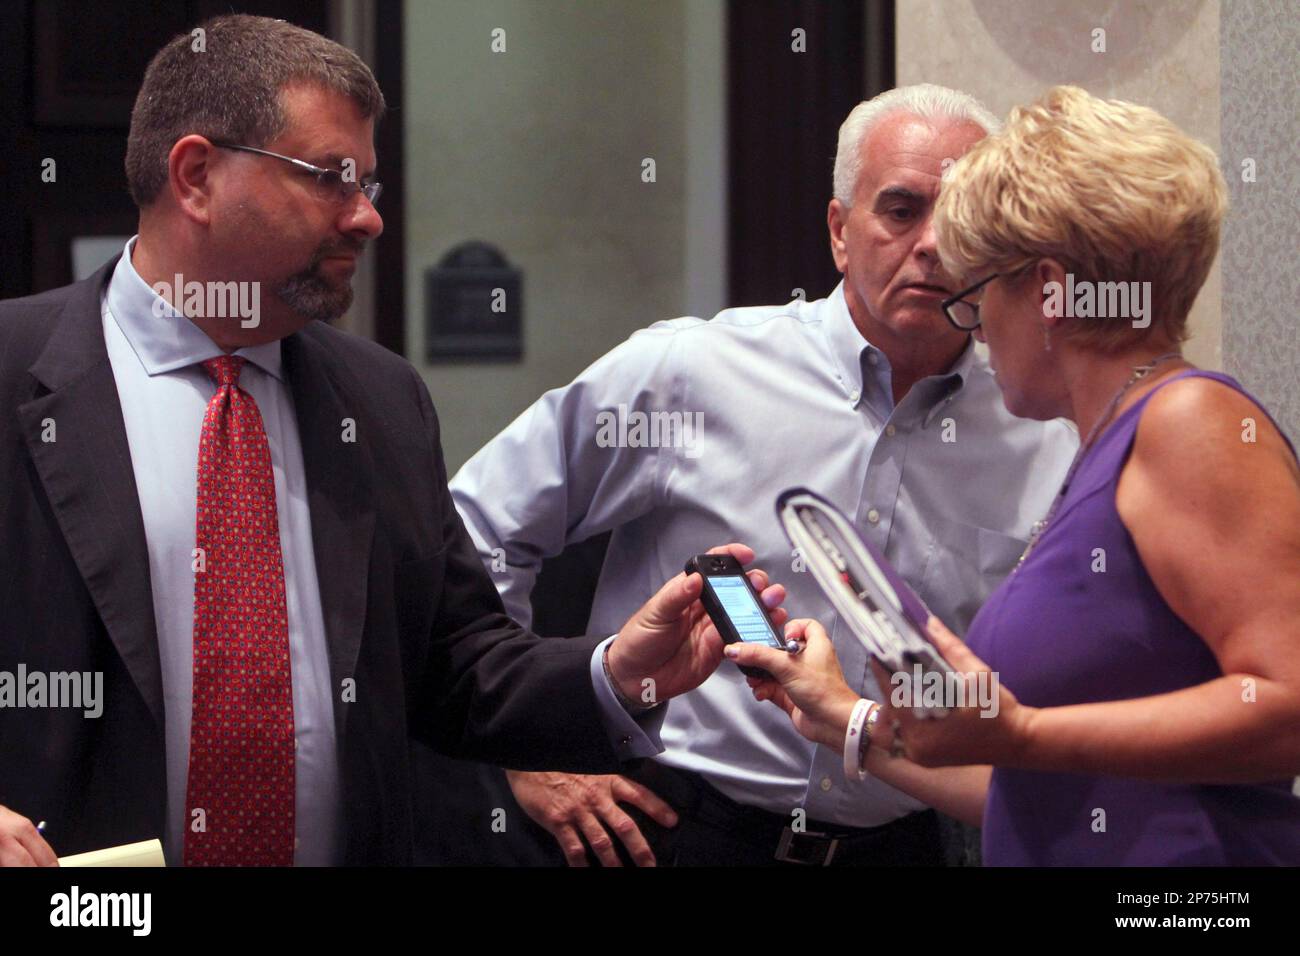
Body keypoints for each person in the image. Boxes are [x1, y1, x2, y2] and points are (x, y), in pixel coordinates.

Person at [0, 15, 787, 868]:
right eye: (330, 180)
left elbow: (456, 667)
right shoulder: (18, 377)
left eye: (367, 185)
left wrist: (615, 671)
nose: (367, 219)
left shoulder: (378, 400)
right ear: (195, 176)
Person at [449, 84, 1077, 866]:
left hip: (906, 843)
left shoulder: (1042, 430)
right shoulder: (689, 371)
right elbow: (475, 530)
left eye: (962, 220)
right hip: (674, 829)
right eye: (902, 209)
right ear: (840, 232)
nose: (933, 245)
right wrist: (526, 740)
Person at [728, 85, 1300, 865]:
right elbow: (1033, 785)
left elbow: (1289, 706)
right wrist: (848, 720)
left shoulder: (1187, 424)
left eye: (979, 291)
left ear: (1049, 291)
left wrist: (1024, 729)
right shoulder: (1103, 449)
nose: (977, 325)